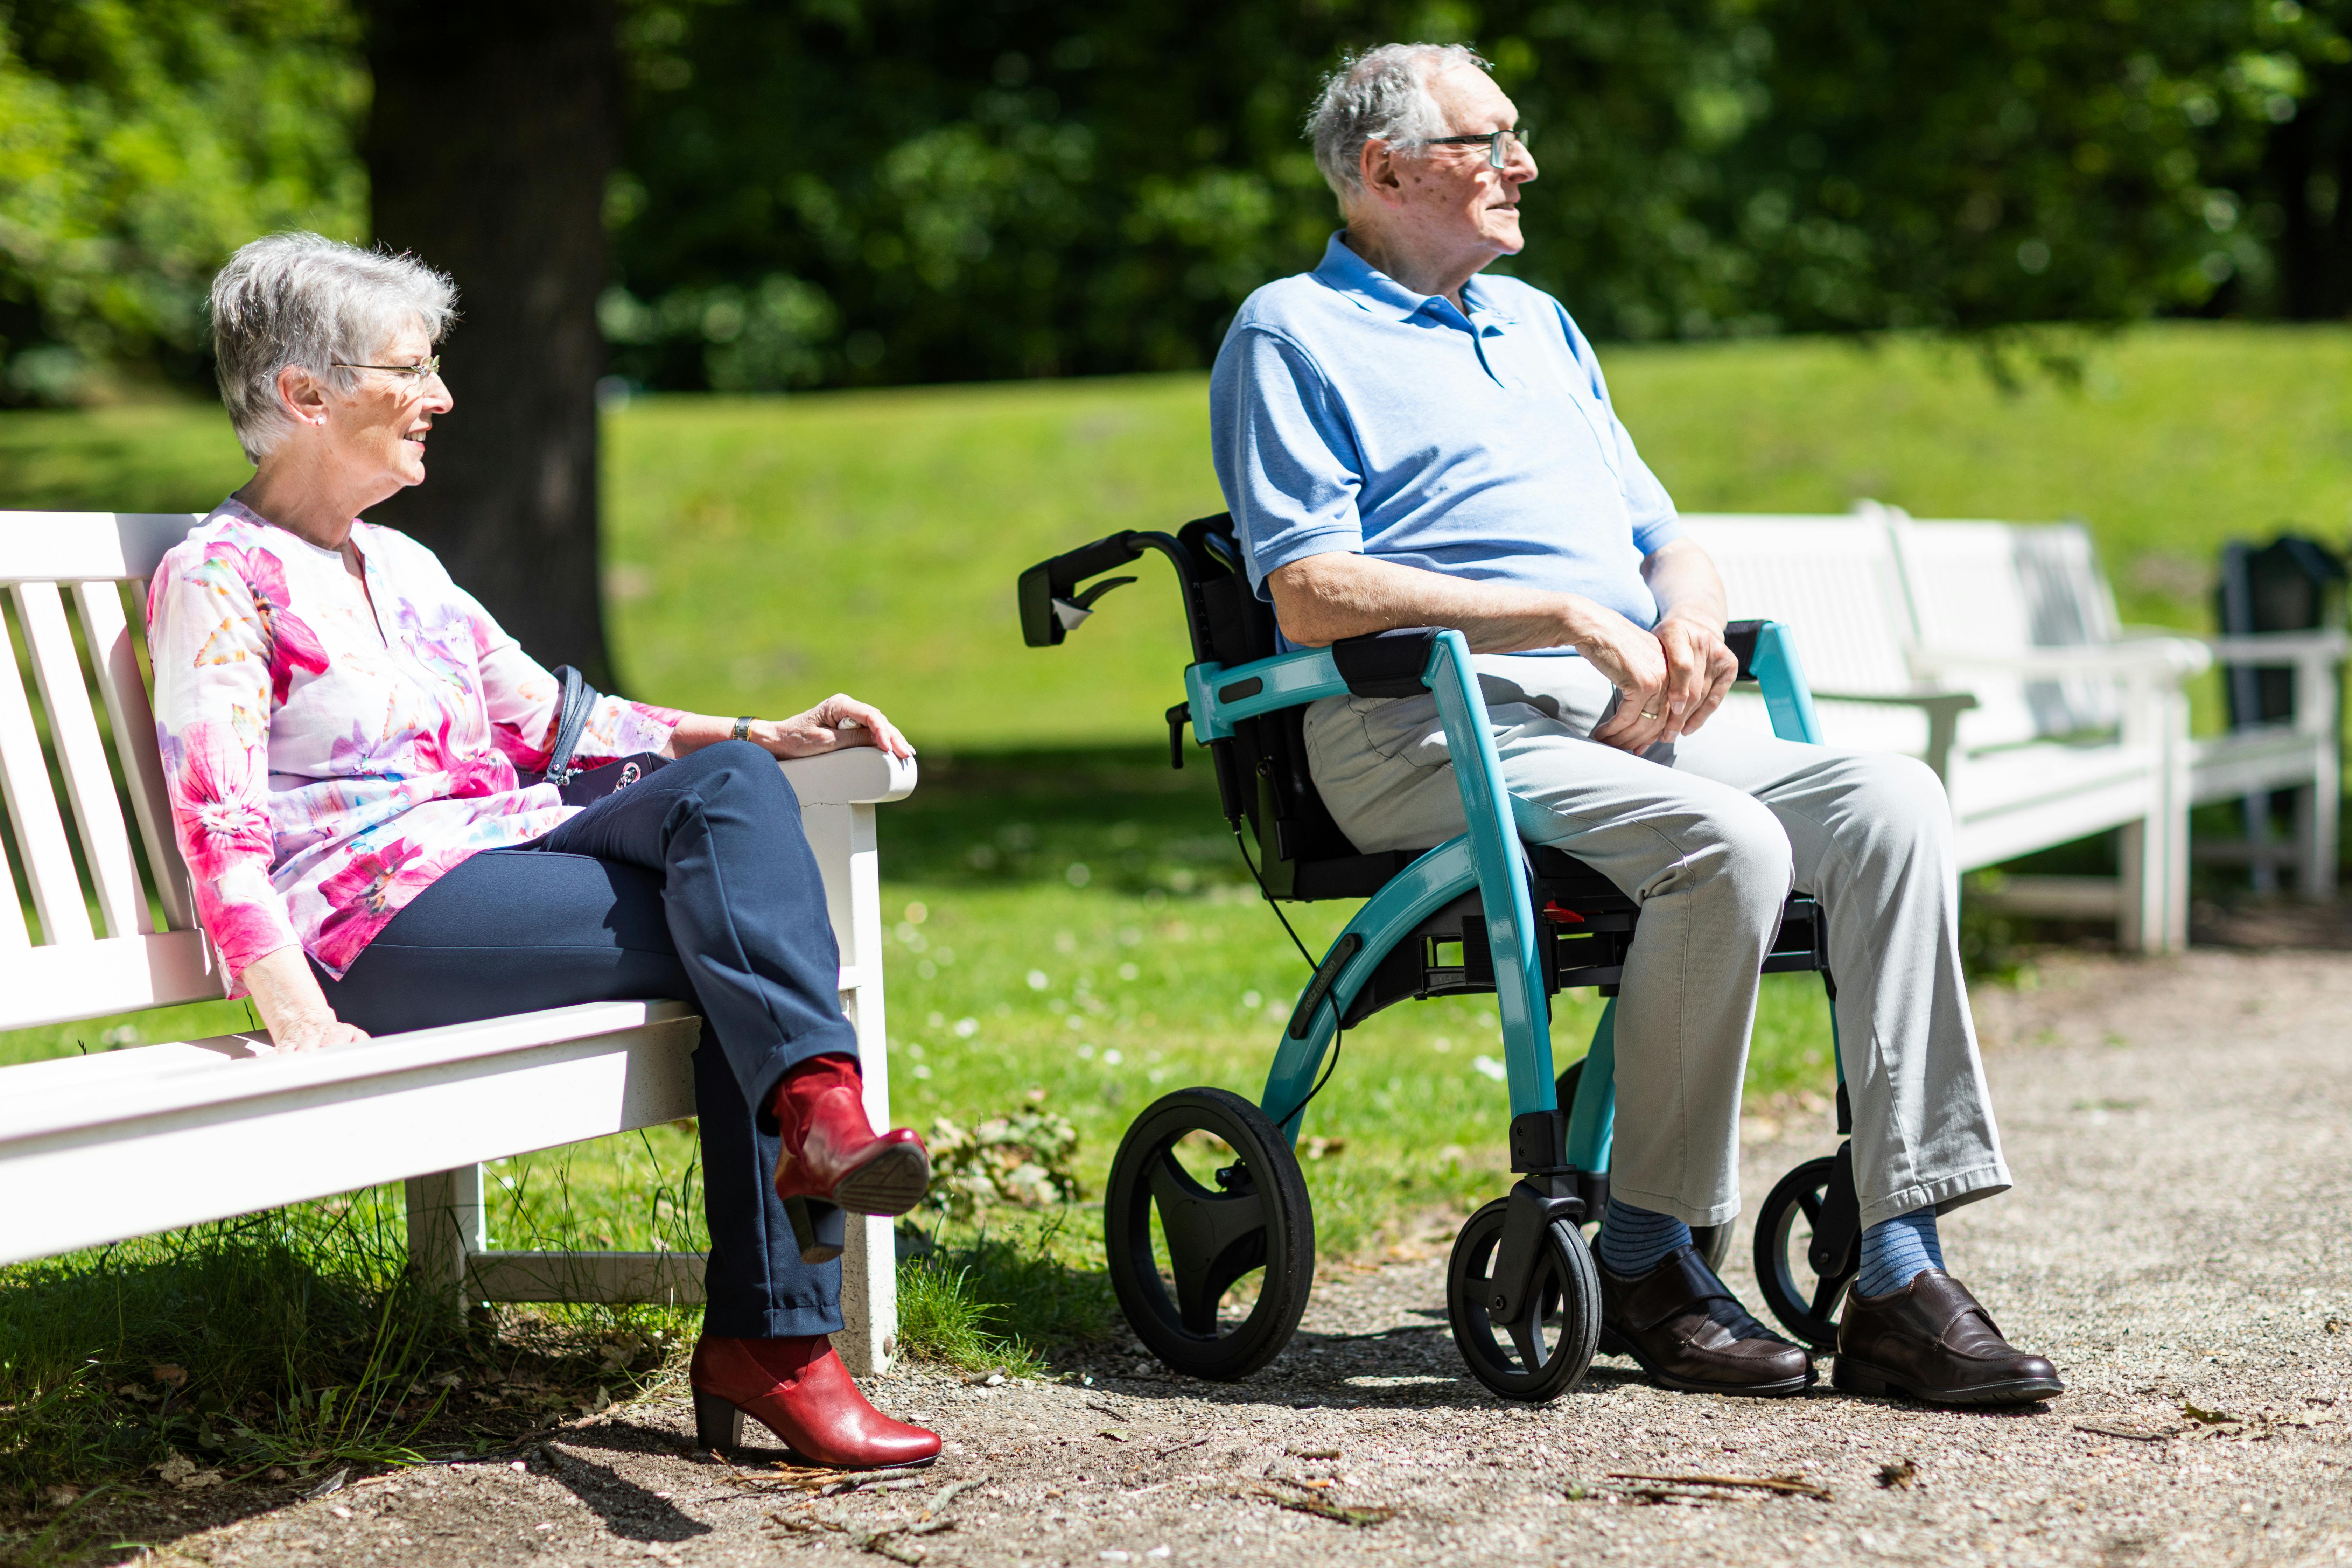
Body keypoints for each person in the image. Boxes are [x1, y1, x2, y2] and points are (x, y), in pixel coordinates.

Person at [1210, 45, 2063, 1405]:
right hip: (1426, 734)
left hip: (1614, 720)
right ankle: (1653, 1254)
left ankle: (1900, 1262)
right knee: (1722, 842)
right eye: (1490, 142)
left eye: (1517, 136)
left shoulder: (1537, 324)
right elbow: (1311, 590)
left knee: (1892, 798)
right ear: (1385, 173)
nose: (1524, 165)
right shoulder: (1291, 335)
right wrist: (1554, 611)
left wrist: (1681, 617)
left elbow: (1666, 538)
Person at [149, 231, 940, 1465]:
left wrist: (761, 732)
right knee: (742, 941)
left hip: (504, 858)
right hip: (379, 923)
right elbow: (221, 824)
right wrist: (295, 1017)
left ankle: (814, 1126)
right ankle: (780, 1331)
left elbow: (559, 724)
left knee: (731, 793)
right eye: (409, 371)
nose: (442, 398)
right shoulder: (222, 577)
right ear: (304, 395)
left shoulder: (402, 567)